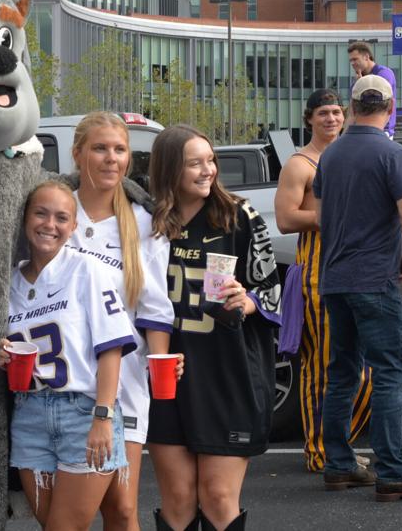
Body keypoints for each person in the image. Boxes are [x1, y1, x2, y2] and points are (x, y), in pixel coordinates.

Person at [147, 125, 281, 531]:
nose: (207, 171)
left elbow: (273, 290)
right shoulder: (146, 220)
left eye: (211, 161)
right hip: (166, 374)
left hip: (226, 372)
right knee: (178, 499)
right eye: (195, 163)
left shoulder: (240, 216)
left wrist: (251, 301)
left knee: (219, 497)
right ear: (170, 169)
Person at [313, 74, 402, 501]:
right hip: (373, 279)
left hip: (334, 279)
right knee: (389, 374)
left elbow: (329, 212)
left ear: (352, 105)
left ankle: (339, 465)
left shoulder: (331, 156)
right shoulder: (393, 154)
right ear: (389, 106)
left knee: (342, 373)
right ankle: (392, 473)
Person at [0, 180, 137, 530]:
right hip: (28, 413)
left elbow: (112, 349)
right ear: (25, 217)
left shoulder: (86, 270)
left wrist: (102, 417)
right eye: (41, 214)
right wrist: (2, 355)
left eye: (62, 217)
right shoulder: (9, 281)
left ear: (73, 227)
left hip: (83, 411)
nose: (50, 224)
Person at [67, 111, 177, 531]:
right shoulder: (56, 213)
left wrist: (160, 365)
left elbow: (155, 308)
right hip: (62, 378)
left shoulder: (144, 223)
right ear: (78, 154)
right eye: (99, 148)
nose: (111, 158)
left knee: (121, 506)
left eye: (119, 150)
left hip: (124, 381)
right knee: (68, 511)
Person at [275, 89, 373, 473]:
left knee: (362, 369)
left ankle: (338, 445)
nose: (331, 118)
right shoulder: (300, 164)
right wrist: (331, 215)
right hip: (316, 270)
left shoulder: (349, 155)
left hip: (354, 268)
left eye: (336, 111)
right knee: (321, 367)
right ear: (309, 118)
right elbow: (285, 219)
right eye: (323, 113)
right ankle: (321, 452)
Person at [347, 41, 397, 138]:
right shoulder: (358, 78)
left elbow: (376, 99)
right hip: (362, 130)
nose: (353, 63)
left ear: (366, 56)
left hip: (382, 130)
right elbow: (353, 102)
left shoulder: (384, 73)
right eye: (351, 61)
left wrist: (360, 83)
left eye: (355, 59)